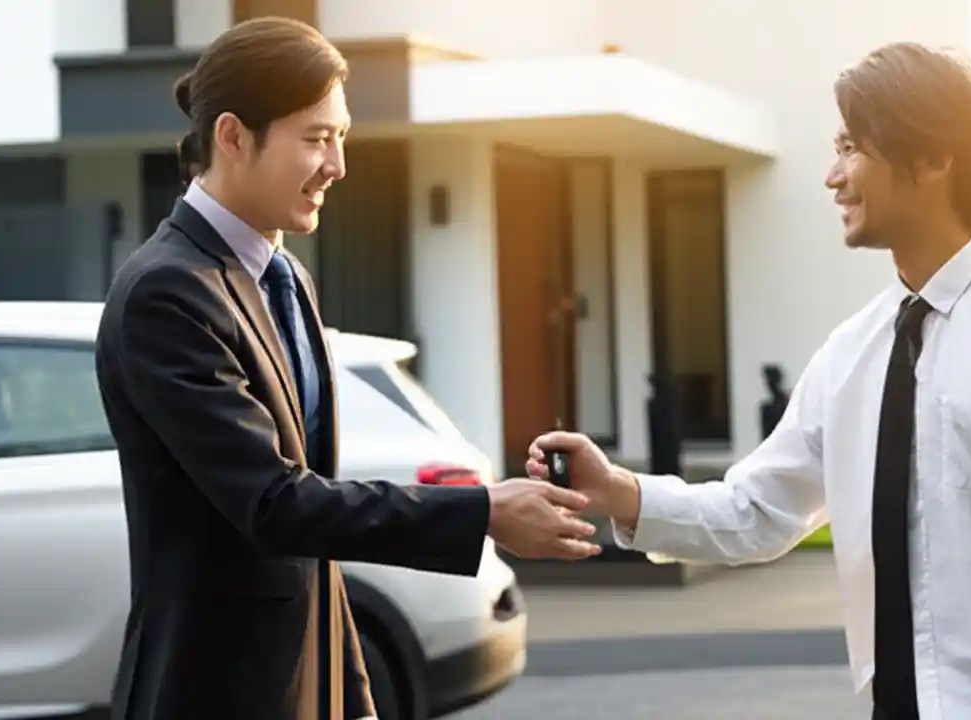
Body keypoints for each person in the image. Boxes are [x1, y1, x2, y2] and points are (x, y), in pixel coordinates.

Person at [528, 42, 971, 720]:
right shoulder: (853, 352)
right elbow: (758, 513)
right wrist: (617, 490)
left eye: (853, 147)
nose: (833, 175)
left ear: (936, 156)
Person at [94, 18, 599, 720]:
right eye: (316, 139)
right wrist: (484, 511)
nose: (338, 166)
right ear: (234, 137)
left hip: (310, 685)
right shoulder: (167, 292)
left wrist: (351, 697)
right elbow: (274, 504)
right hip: (212, 689)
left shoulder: (287, 278)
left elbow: (315, 539)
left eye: (341, 138)